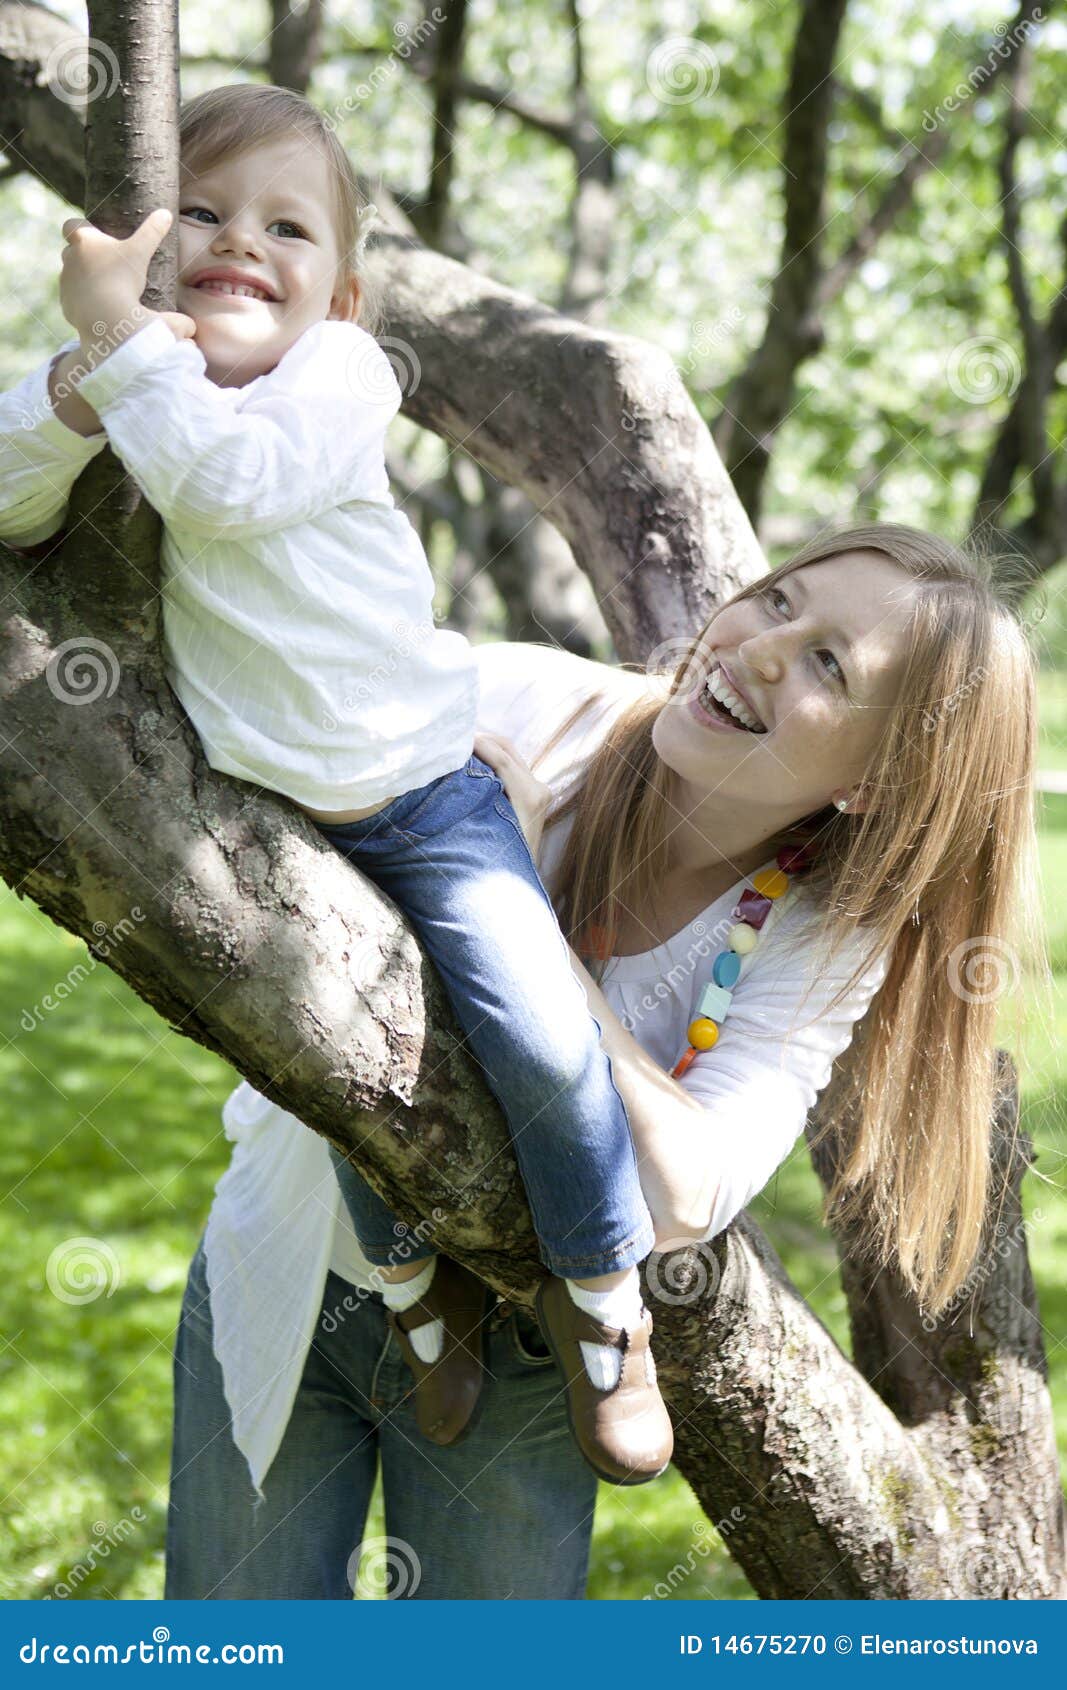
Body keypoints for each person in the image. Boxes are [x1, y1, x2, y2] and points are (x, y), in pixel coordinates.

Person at [0, 82, 676, 1488]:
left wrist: (122, 346)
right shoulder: (146, 385)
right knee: (334, 1063)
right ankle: (417, 1294)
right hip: (270, 816)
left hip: (425, 795)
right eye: (200, 211)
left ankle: (606, 1302)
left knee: (538, 1033)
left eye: (285, 226)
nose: (239, 241)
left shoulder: (337, 380)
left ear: (344, 294)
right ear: (137, 242)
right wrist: (80, 377)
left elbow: (224, 488)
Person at [163, 520, 1040, 1599]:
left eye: (826, 664)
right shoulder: (516, 704)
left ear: (874, 780)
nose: (760, 648)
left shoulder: (818, 935)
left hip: (537, 1351)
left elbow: (681, 1191)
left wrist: (511, 909)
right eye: (778, 601)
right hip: (290, 1256)